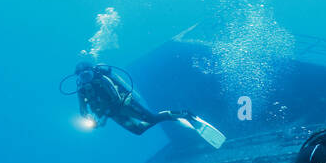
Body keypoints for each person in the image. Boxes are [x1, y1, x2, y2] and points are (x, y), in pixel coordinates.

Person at [71, 60, 224, 148]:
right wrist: (90, 119)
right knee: (138, 131)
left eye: (87, 74)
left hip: (124, 106)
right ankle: (169, 117)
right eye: (82, 76)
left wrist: (103, 117)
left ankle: (181, 113)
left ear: (92, 71)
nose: (86, 78)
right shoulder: (82, 90)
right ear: (78, 77)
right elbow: (82, 110)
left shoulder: (103, 80)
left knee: (150, 119)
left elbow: (116, 98)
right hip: (113, 114)